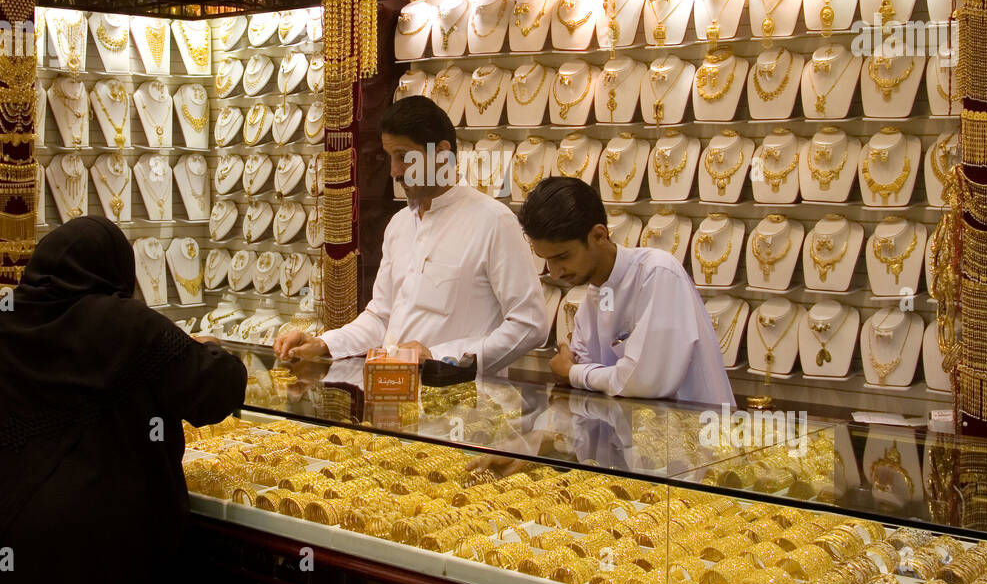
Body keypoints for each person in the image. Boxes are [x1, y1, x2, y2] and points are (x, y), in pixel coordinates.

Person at [0, 216, 249, 584]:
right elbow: (220, 389)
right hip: (95, 551)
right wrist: (202, 346)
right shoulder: (126, 325)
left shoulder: (0, 325)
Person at [275, 95, 548, 375]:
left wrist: (442, 358)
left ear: (442, 153)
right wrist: (324, 343)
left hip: (461, 410)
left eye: (404, 157)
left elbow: (530, 325)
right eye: (390, 157)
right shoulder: (399, 225)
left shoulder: (494, 222)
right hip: (390, 400)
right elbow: (381, 318)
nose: (394, 171)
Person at [518, 176, 734, 404]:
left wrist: (573, 373)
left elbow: (644, 381)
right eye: (546, 260)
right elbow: (592, 382)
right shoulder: (591, 300)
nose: (554, 273)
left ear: (599, 235)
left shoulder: (657, 273)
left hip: (695, 433)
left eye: (562, 257)